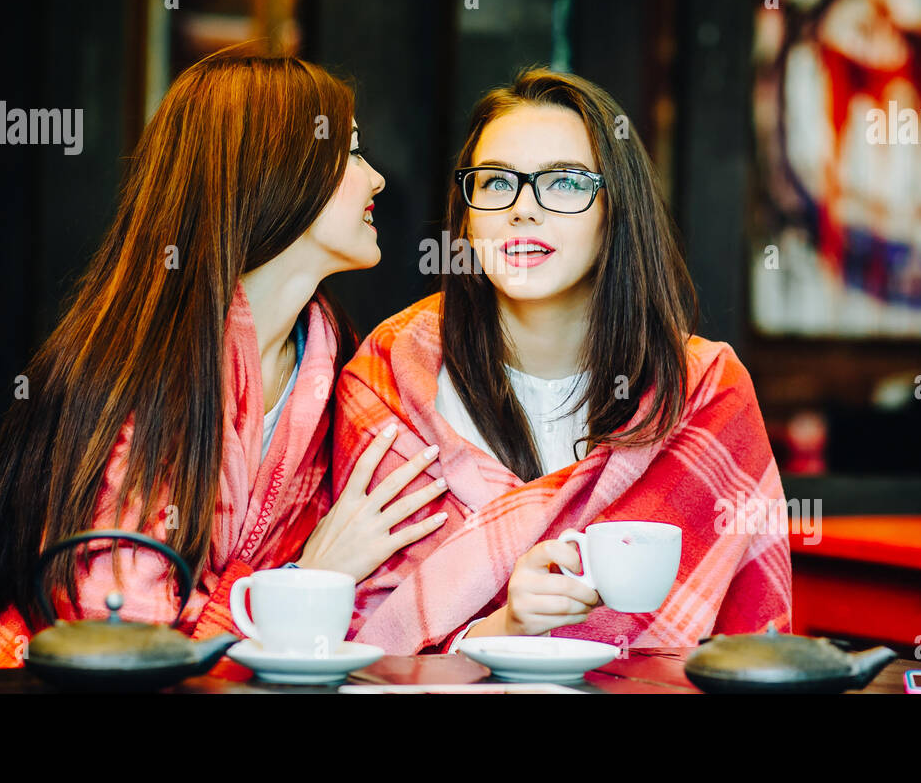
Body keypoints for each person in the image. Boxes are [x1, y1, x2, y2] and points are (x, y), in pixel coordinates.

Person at [0, 44, 448, 670]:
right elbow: (127, 648)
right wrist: (309, 579)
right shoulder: (140, 381)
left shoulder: (337, 365)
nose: (377, 178)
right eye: (352, 150)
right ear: (276, 171)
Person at [332, 68, 792, 654]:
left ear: (616, 209)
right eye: (496, 183)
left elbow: (758, 648)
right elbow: (347, 637)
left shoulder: (703, 391)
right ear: (467, 216)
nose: (523, 209)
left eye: (566, 183)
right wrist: (500, 631)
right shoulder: (389, 380)